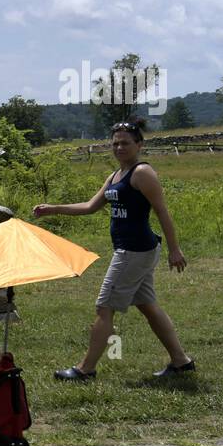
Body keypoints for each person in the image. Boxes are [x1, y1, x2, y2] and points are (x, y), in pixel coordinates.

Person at [33, 117, 192, 380]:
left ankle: (85, 369)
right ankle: (181, 362)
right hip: (133, 250)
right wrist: (53, 208)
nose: (119, 148)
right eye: (115, 143)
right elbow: (89, 206)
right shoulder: (115, 175)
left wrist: (175, 249)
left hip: (134, 251)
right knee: (147, 305)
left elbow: (162, 212)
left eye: (126, 143)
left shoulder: (142, 173)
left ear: (139, 144)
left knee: (104, 307)